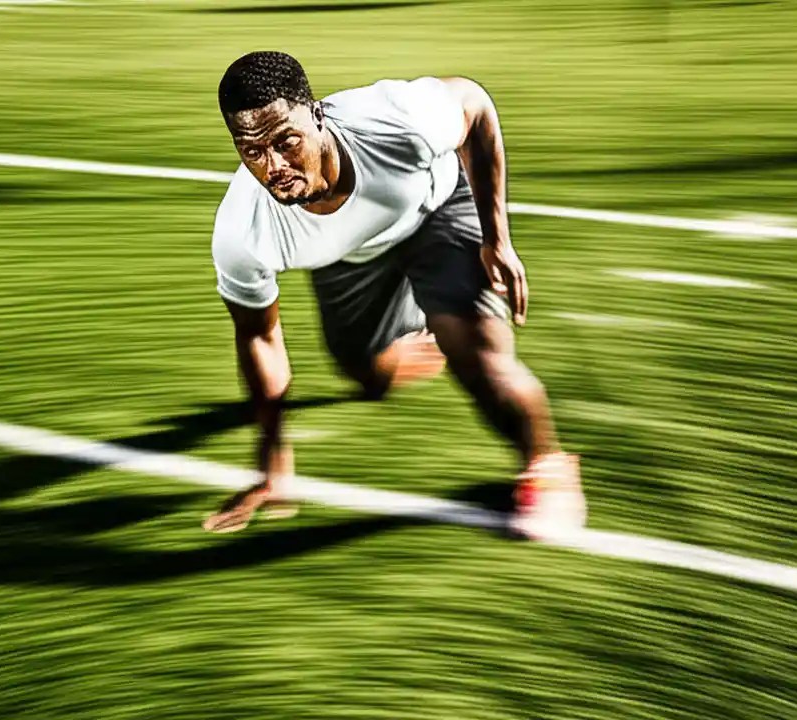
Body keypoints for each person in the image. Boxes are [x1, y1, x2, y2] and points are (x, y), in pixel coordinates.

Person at [203, 51, 585, 539]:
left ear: (317, 114)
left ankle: (546, 464)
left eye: (286, 141)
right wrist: (274, 456)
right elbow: (259, 337)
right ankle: (421, 333)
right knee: (367, 378)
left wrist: (497, 238)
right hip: (349, 257)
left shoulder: (395, 119)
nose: (273, 165)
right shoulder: (243, 229)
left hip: (437, 212)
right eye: (251, 151)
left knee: (479, 359)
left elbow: (475, 106)